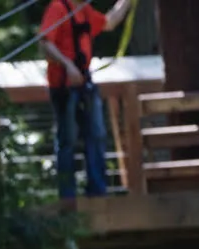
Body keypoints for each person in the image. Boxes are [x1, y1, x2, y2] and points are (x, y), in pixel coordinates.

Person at [39, 0, 135, 200]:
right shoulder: (58, 8)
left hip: (85, 84)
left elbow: (109, 22)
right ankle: (68, 198)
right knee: (67, 142)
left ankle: (97, 193)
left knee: (97, 135)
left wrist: (128, 2)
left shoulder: (84, 10)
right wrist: (67, 65)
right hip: (64, 87)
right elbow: (45, 42)